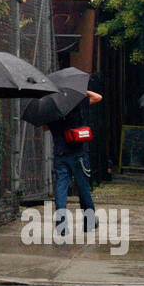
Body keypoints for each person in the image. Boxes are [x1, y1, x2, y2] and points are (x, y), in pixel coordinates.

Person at [46, 90, 103, 233]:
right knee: (83, 188)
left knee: (61, 188)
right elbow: (98, 97)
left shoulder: (50, 109)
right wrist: (82, 91)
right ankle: (89, 222)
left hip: (60, 154)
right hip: (78, 153)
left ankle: (61, 225)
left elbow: (45, 128)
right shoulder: (75, 103)